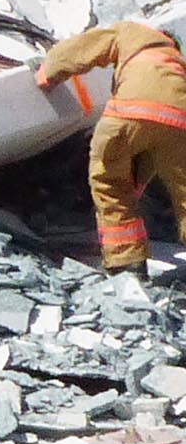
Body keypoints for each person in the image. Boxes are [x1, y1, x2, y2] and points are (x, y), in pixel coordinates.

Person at [39, 20, 186, 271]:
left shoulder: (132, 32)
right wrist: (137, 184)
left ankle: (126, 262)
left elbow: (82, 49)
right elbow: (152, 147)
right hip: (180, 121)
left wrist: (46, 73)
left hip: (131, 109)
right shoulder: (177, 65)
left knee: (109, 181)